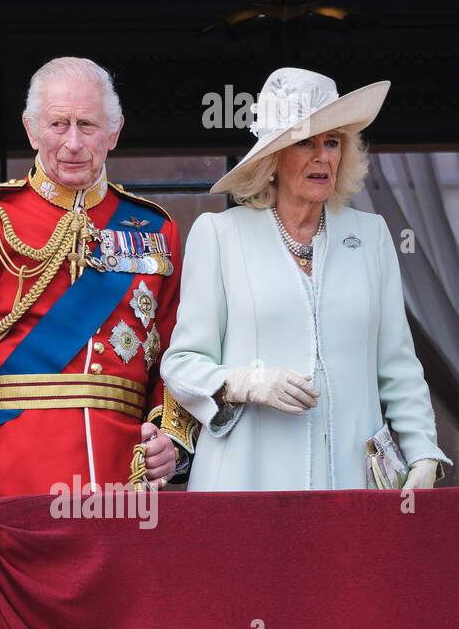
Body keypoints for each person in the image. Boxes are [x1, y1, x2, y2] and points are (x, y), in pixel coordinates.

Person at [161, 67, 450, 491]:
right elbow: (182, 365)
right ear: (272, 159)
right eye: (305, 142)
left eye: (332, 142)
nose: (323, 156)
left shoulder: (370, 237)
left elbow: (398, 367)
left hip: (351, 483)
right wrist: (248, 382)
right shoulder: (221, 235)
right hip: (246, 481)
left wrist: (424, 450)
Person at [0, 57, 196, 497]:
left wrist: (172, 441)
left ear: (114, 131)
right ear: (31, 130)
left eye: (87, 125)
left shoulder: (155, 230)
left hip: (124, 475)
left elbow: (179, 352)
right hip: (17, 472)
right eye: (58, 124)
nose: (72, 143)